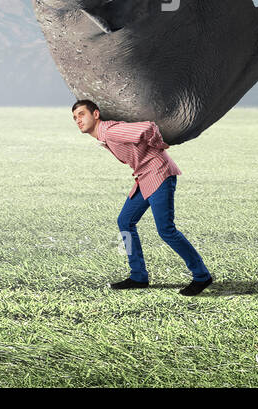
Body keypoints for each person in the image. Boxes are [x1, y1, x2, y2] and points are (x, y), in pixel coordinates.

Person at [71, 99, 213, 296]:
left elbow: (147, 128)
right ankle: (138, 275)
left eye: (82, 114)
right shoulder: (103, 136)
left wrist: (159, 145)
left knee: (166, 230)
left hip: (158, 173)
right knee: (125, 221)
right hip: (144, 177)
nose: (78, 120)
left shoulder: (110, 131)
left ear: (95, 114)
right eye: (75, 117)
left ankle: (201, 276)